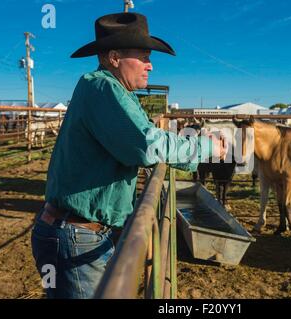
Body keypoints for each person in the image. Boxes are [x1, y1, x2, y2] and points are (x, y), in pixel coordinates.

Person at [31, 12, 226, 299]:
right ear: (113, 57)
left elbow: (143, 138)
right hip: (76, 236)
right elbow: (145, 144)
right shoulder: (102, 88)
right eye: (144, 56)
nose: (150, 65)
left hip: (82, 232)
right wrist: (206, 146)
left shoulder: (118, 93)